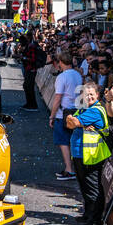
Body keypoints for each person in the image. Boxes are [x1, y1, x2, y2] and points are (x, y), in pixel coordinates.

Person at [65, 83, 111, 225]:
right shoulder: (85, 109)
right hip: (81, 153)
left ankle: (95, 220)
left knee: (92, 187)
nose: (89, 97)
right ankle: (87, 215)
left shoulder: (96, 111)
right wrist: (73, 120)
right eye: (86, 95)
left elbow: (74, 122)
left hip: (91, 156)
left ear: (97, 95)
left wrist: (75, 121)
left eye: (91, 94)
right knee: (84, 186)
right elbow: (69, 124)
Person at [49, 52, 80, 181]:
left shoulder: (62, 77)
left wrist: (52, 116)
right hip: (77, 111)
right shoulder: (78, 75)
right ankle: (73, 169)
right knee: (73, 141)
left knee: (63, 142)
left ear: (61, 62)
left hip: (63, 114)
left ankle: (69, 169)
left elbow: (58, 98)